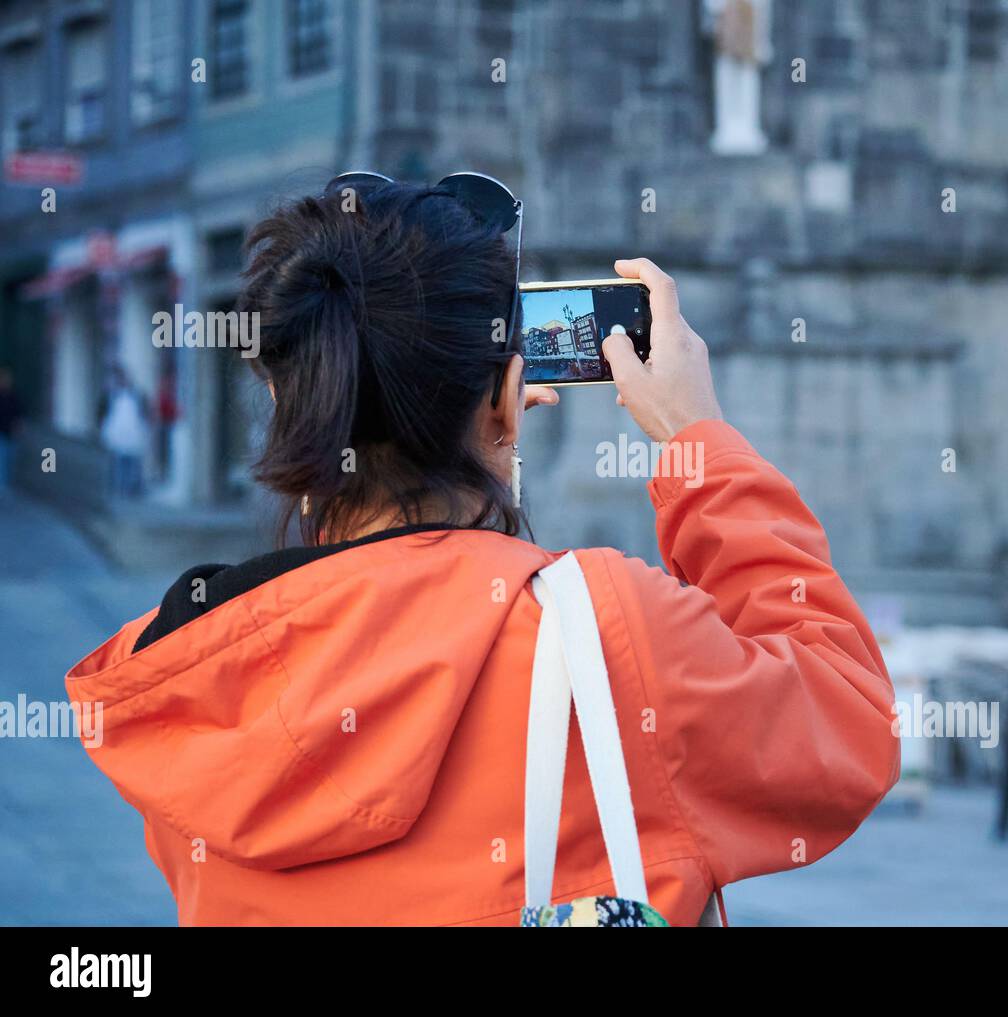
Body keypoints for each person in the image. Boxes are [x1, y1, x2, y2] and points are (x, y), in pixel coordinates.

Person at [66, 178, 898, 926]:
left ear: (289, 400)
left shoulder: (184, 672)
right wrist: (696, 441)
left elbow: (353, 610)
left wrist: (472, 440)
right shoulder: (606, 638)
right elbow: (846, 721)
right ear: (509, 396)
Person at [99, 365, 150, 498]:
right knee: (119, 465)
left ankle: (132, 490)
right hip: (118, 436)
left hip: (134, 435)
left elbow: (144, 414)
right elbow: (104, 414)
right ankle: (120, 490)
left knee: (133, 465)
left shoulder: (136, 396)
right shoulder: (112, 396)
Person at [0, 365, 23, 493]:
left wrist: (18, 427)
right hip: (1, 432)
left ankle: (7, 482)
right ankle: (3, 484)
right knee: (2, 458)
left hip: (10, 431)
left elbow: (18, 413)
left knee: (10, 458)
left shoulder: (14, 395)